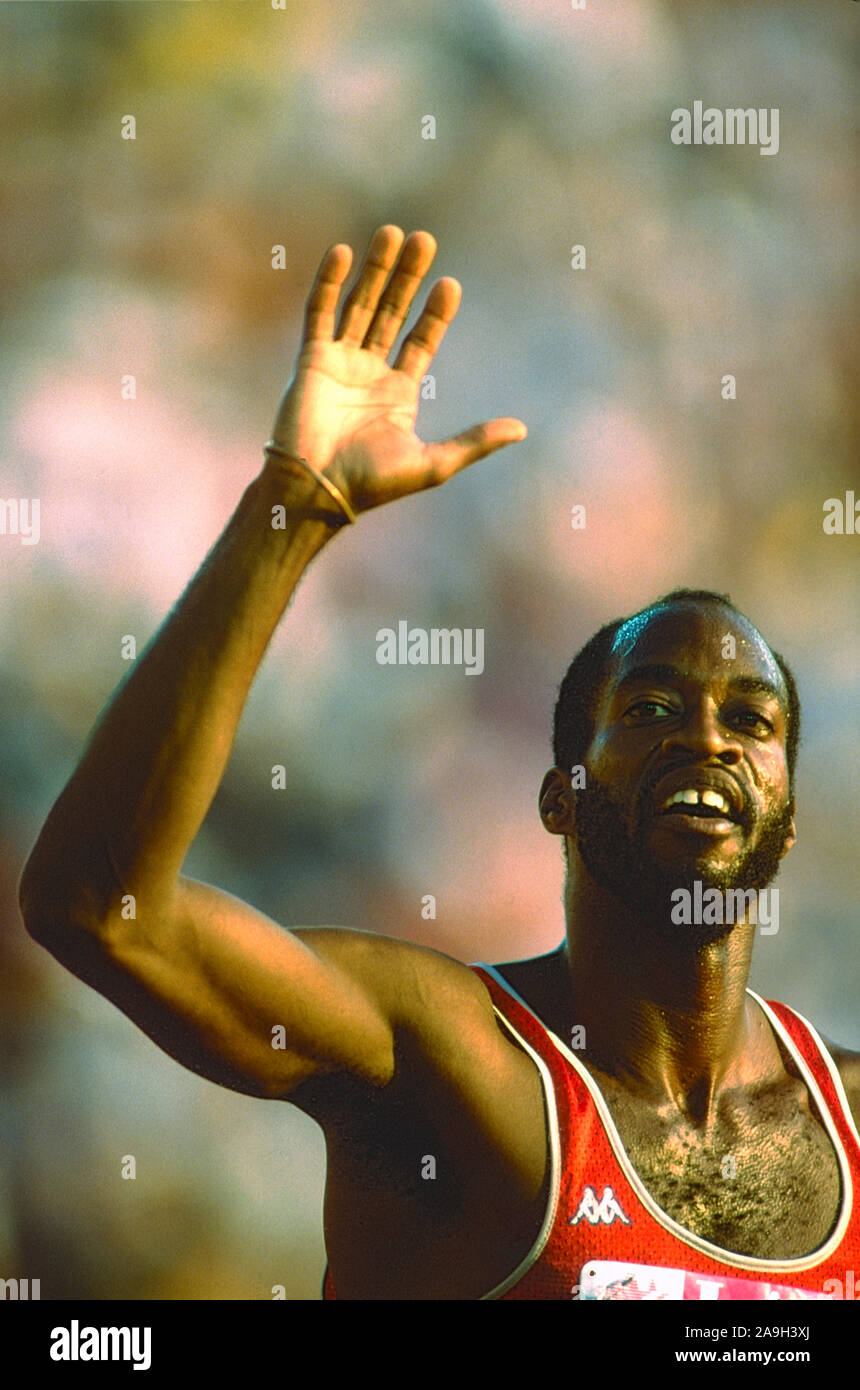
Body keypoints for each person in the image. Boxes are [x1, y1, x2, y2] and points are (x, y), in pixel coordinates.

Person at [19, 226, 859, 1301]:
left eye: (751, 720)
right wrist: (293, 506)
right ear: (560, 794)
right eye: (649, 706)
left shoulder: (842, 1119)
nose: (705, 736)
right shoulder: (448, 1061)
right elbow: (100, 907)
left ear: (786, 813)